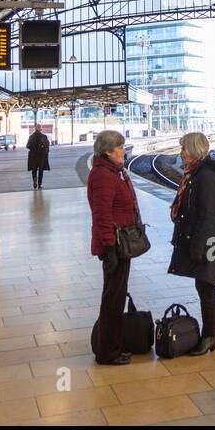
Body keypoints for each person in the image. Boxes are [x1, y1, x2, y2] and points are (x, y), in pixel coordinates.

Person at [167, 132, 215, 356]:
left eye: (184, 148)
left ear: (193, 150)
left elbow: (208, 217)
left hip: (208, 241)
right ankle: (212, 333)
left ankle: (210, 336)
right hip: (202, 239)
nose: (181, 152)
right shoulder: (196, 174)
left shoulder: (207, 177)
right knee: (204, 285)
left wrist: (198, 247)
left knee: (206, 284)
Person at [87, 130, 138, 366]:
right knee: (112, 300)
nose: (123, 151)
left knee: (116, 298)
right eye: (120, 147)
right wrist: (109, 249)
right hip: (113, 246)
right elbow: (102, 215)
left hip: (118, 245)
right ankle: (107, 352)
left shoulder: (113, 172)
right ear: (108, 151)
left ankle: (114, 346)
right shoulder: (103, 176)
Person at [26, 124, 50, 190]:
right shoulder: (44, 137)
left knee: (34, 170)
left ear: (35, 129)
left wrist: (33, 147)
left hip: (33, 156)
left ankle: (34, 179)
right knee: (41, 170)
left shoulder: (31, 137)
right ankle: (39, 184)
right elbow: (47, 146)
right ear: (41, 129)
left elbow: (27, 146)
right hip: (41, 156)